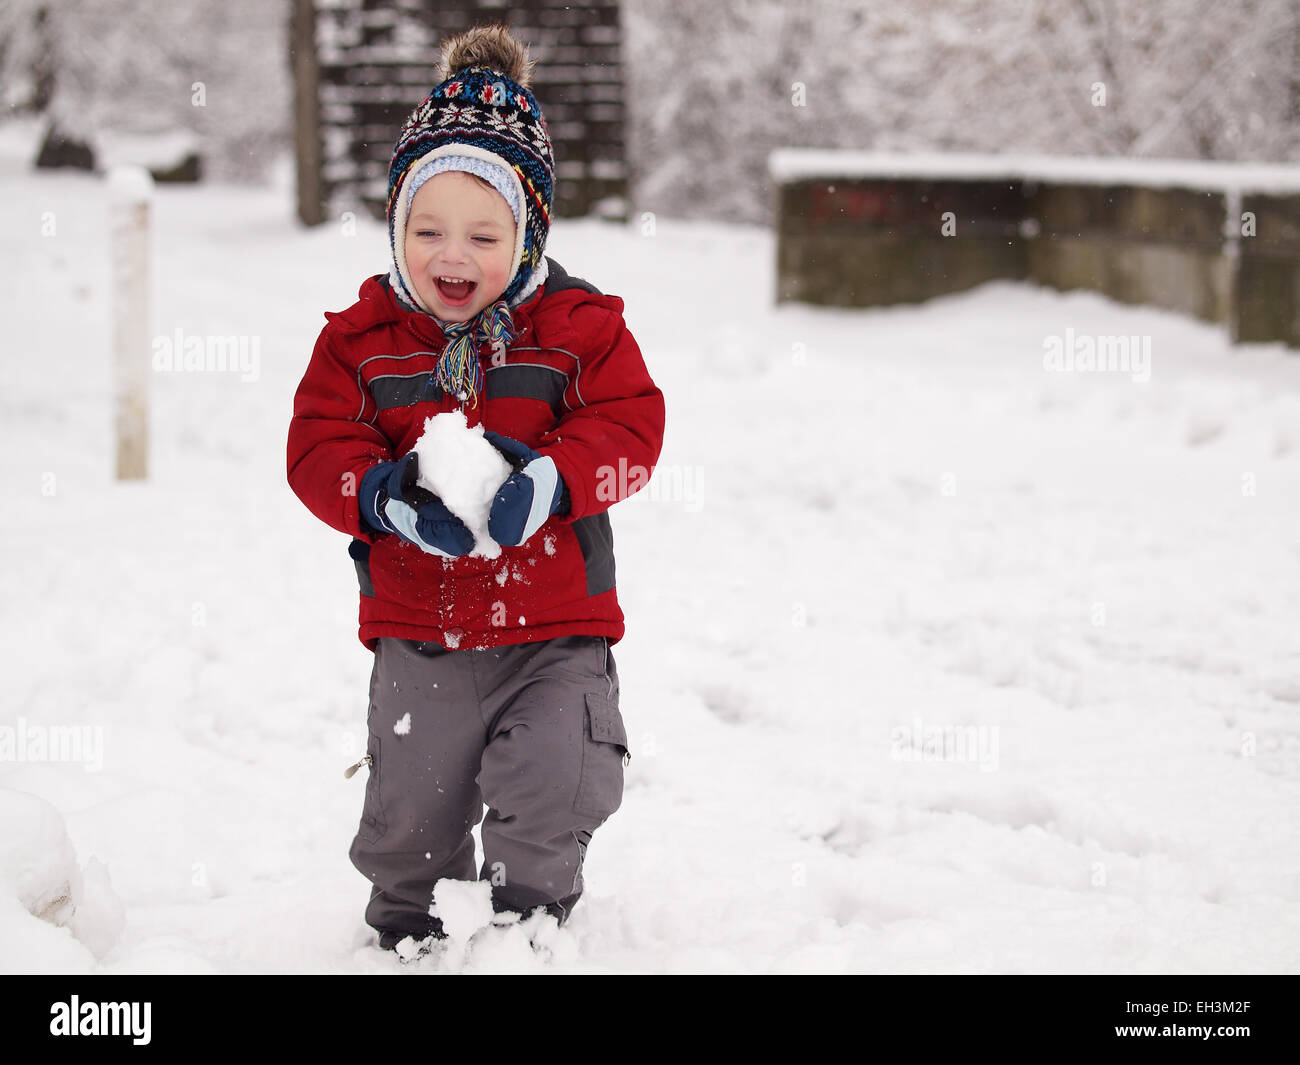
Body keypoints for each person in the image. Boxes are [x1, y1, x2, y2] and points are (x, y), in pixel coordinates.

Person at [286, 22, 665, 957]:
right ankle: (409, 932)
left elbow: (632, 427)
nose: (452, 255)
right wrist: (382, 495)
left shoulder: (580, 330)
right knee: (410, 814)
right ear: (394, 224)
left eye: (484, 234)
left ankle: (528, 927)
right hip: (422, 627)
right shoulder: (361, 342)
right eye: (427, 229)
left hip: (556, 631)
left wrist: (550, 481)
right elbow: (313, 447)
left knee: (554, 775)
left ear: (529, 230)